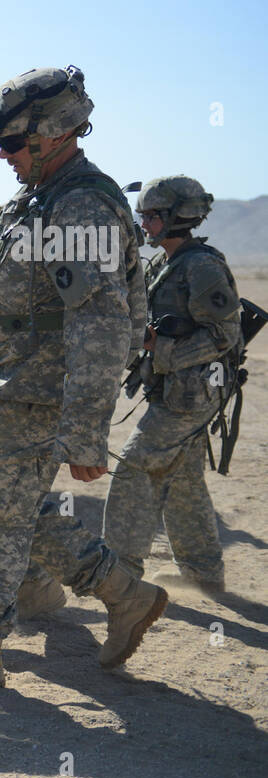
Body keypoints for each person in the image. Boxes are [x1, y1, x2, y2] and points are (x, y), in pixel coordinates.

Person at [0, 66, 166, 690]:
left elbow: (101, 322)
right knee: (17, 509)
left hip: (41, 392)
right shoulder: (36, 197)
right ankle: (126, 596)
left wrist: (84, 433)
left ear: (54, 133)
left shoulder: (81, 206)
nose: (3, 155)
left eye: (14, 143)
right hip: (10, 383)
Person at [103, 176, 241, 595]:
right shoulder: (167, 264)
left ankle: (118, 575)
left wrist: (160, 350)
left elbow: (225, 334)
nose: (143, 223)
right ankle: (202, 573)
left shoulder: (201, 266)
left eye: (150, 216)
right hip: (177, 391)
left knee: (134, 469)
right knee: (182, 479)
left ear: (175, 218)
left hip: (193, 394)